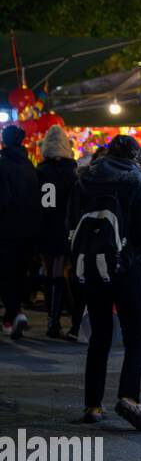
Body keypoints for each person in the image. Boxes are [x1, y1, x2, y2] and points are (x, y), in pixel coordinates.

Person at [67, 135, 141, 428]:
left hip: (92, 268)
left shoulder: (84, 180)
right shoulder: (137, 182)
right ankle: (128, 397)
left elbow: (69, 222)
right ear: (134, 157)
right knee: (135, 337)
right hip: (126, 267)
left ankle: (93, 405)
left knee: (100, 337)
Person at [36, 125, 79, 338]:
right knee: (60, 271)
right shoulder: (72, 173)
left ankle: (52, 319)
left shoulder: (42, 172)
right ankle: (57, 319)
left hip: (45, 228)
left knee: (49, 270)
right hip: (65, 229)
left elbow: (44, 203)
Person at [0, 124, 40, 338]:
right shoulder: (31, 167)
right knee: (20, 272)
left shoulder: (3, 165)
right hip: (30, 229)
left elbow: (3, 199)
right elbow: (45, 200)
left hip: (7, 229)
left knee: (6, 274)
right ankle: (13, 314)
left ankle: (14, 314)